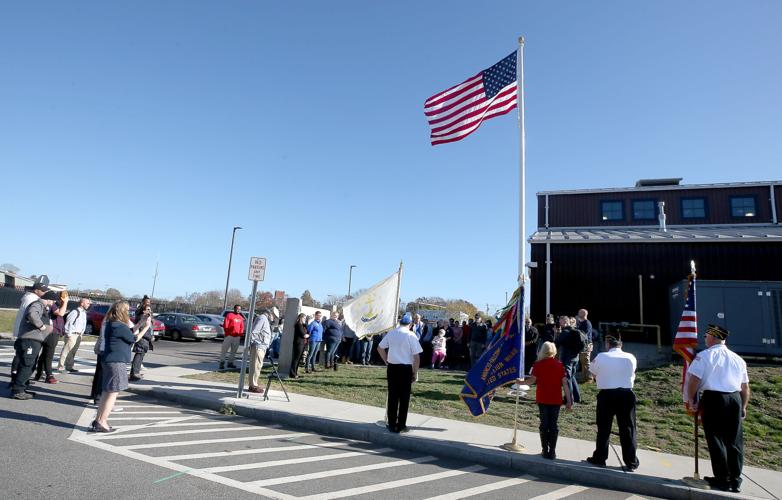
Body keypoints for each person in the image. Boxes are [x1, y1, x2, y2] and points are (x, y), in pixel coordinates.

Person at [686, 325, 750, 493]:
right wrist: (743, 406)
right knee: (734, 441)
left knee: (715, 439)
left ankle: (722, 478)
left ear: (713, 338)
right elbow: (745, 387)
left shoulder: (704, 356)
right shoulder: (738, 359)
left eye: (706, 336)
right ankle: (735, 479)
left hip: (713, 399)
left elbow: (694, 380)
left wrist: (691, 400)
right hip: (734, 398)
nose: (704, 338)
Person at [586, 331, 640, 472]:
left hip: (607, 395)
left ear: (607, 344)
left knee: (603, 428)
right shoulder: (631, 357)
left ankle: (600, 457)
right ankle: (631, 461)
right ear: (620, 344)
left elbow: (592, 372)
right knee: (628, 429)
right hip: (626, 394)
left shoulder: (601, 356)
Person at [93, 300, 149, 432]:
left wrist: (141, 322)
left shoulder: (112, 323)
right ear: (122, 311)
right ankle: (102, 421)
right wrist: (146, 327)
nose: (129, 312)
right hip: (116, 362)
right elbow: (134, 338)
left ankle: (98, 420)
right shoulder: (119, 326)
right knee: (113, 393)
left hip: (109, 360)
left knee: (107, 391)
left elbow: (129, 332)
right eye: (127, 310)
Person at [521, 341, 572, 459]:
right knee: (553, 424)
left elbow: (531, 381)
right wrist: (569, 400)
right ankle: (552, 451)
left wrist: (520, 382)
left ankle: (545, 450)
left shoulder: (538, 364)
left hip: (543, 398)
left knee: (544, 424)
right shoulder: (559, 365)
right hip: (556, 399)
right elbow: (565, 384)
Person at [377, 313, 422, 433]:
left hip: (392, 367)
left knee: (392, 396)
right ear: (410, 324)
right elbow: (417, 357)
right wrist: (415, 372)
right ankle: (401, 425)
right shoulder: (411, 335)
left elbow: (380, 348)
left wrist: (386, 360)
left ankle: (392, 424)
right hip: (405, 368)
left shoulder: (392, 333)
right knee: (404, 397)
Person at [9, 290, 58, 399]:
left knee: (27, 365)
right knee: (27, 365)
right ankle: (17, 390)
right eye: (53, 301)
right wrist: (42, 326)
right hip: (30, 340)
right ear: (49, 299)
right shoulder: (38, 304)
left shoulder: (40, 305)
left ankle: (21, 387)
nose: (54, 303)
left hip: (30, 339)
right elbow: (32, 314)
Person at [9, 280, 50, 386]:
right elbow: (32, 315)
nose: (45, 292)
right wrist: (41, 326)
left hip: (27, 332)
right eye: (42, 290)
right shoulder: (32, 299)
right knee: (22, 358)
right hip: (27, 333)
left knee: (24, 359)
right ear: (36, 290)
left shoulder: (32, 298)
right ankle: (16, 380)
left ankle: (21, 380)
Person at [35, 290, 69, 384]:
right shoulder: (53, 305)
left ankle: (39, 374)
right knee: (49, 355)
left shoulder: (57, 305)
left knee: (44, 354)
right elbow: (60, 313)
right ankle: (49, 376)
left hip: (53, 331)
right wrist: (65, 302)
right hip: (51, 332)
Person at [57, 297, 91, 373]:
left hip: (78, 335)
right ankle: (60, 367)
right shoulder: (75, 312)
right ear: (82, 303)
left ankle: (69, 367)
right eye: (87, 303)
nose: (89, 305)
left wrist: (81, 334)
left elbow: (83, 325)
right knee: (66, 351)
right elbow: (69, 323)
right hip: (72, 334)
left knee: (72, 352)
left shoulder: (84, 313)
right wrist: (69, 334)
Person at [554, 316, 582, 404]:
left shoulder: (565, 332)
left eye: (560, 322)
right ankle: (577, 397)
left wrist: (556, 334)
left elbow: (556, 343)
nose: (559, 324)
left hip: (567, 358)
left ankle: (569, 399)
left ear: (565, 322)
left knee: (567, 378)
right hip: (575, 357)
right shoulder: (575, 331)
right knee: (572, 377)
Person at [247, 309, 274, 394]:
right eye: (273, 316)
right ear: (270, 314)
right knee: (256, 366)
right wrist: (251, 344)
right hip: (258, 346)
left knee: (257, 366)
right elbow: (254, 332)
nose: (273, 318)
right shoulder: (262, 318)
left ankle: (253, 384)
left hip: (261, 346)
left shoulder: (264, 319)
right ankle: (253, 386)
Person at [129, 300, 154, 381]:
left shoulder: (148, 318)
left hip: (146, 340)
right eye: (147, 309)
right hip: (142, 339)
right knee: (139, 355)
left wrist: (151, 336)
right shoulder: (142, 318)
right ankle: (134, 373)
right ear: (143, 311)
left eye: (150, 309)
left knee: (141, 356)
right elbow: (142, 330)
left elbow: (150, 329)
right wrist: (149, 337)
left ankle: (136, 372)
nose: (149, 311)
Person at [220, 305, 245, 370]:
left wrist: (240, 334)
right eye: (237, 309)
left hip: (237, 337)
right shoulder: (229, 315)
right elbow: (226, 325)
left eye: (240, 309)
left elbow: (242, 327)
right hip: (229, 336)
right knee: (224, 350)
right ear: (234, 309)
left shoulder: (241, 317)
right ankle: (222, 363)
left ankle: (230, 363)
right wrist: (227, 333)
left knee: (234, 351)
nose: (238, 310)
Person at [576, 309, 594, 382]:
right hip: (584, 344)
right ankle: (584, 377)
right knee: (583, 362)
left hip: (587, 345)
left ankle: (589, 378)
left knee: (586, 362)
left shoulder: (587, 323)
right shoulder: (581, 323)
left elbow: (584, 334)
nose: (578, 314)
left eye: (579, 313)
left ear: (583, 314)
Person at [290, 313, 308, 378]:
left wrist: (305, 324)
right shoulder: (298, 325)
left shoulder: (303, 325)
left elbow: (307, 331)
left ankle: (295, 373)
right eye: (304, 318)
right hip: (298, 343)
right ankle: (292, 373)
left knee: (298, 359)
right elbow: (304, 335)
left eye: (305, 318)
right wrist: (308, 335)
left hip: (302, 343)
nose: (305, 319)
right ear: (300, 318)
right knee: (296, 359)